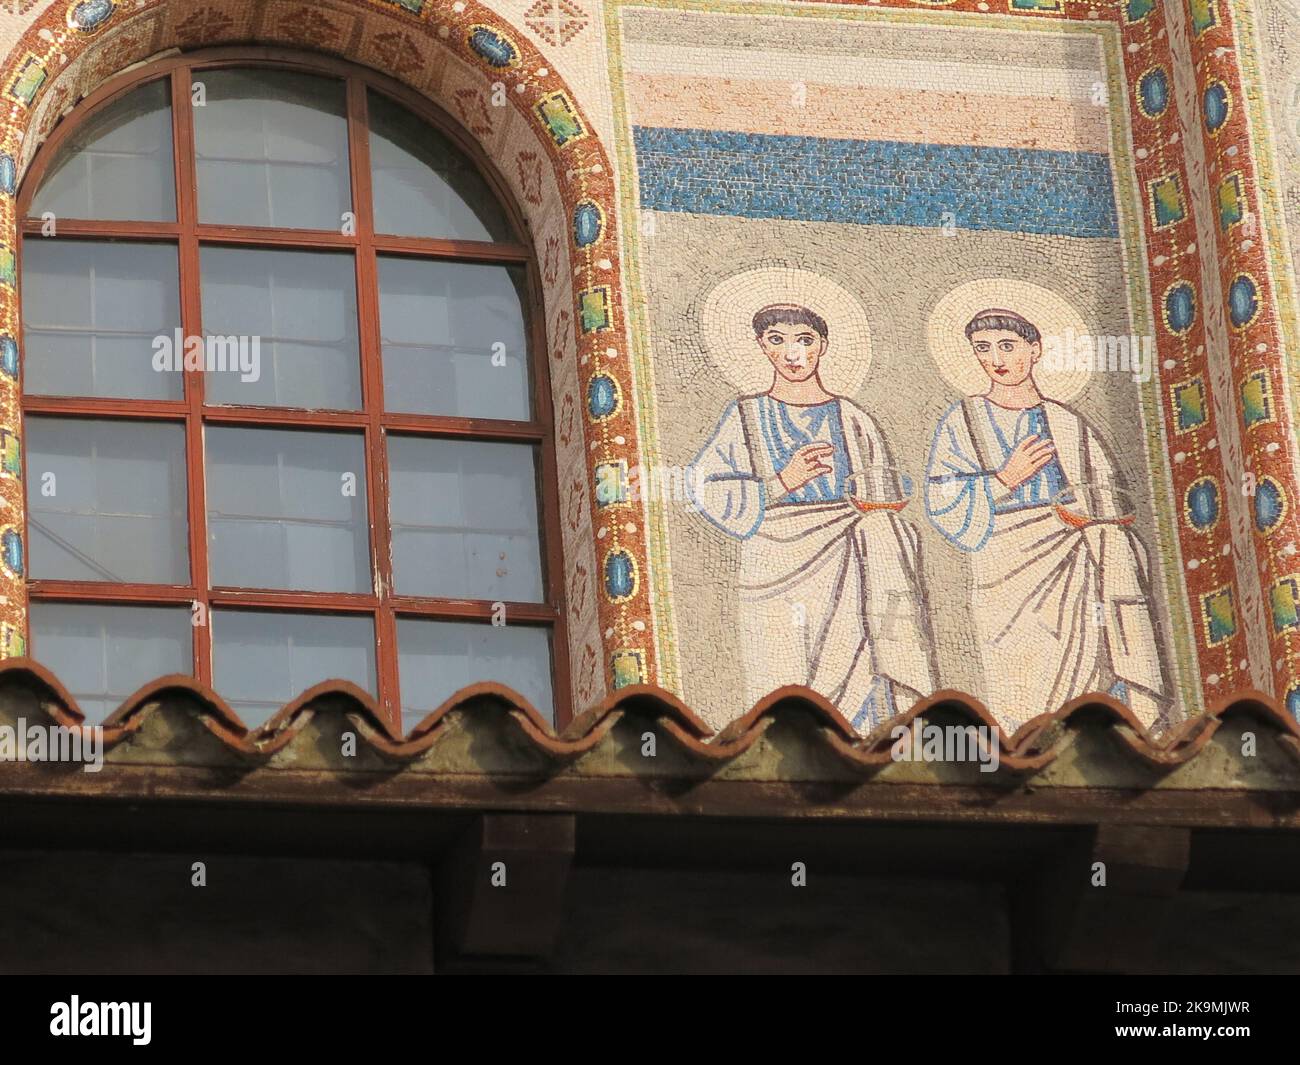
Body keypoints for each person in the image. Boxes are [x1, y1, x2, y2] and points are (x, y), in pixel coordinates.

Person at [688, 302, 936, 730]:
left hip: (855, 566)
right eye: (777, 340)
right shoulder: (744, 417)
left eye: (805, 340)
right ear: (761, 347)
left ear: (823, 346)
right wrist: (782, 481)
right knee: (786, 689)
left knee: (864, 674)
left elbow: (884, 491)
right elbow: (709, 489)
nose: (792, 353)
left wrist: (875, 516)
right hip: (777, 568)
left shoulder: (852, 418)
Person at [923, 308, 1170, 728]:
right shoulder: (961, 421)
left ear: (1034, 350)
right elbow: (941, 499)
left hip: (1077, 565)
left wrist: (1093, 523)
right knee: (1017, 682)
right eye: (983, 348)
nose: (996, 358)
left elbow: (1109, 502)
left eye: (1007, 345)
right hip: (1003, 566)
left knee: (1092, 671)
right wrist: (1002, 479)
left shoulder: (1068, 424)